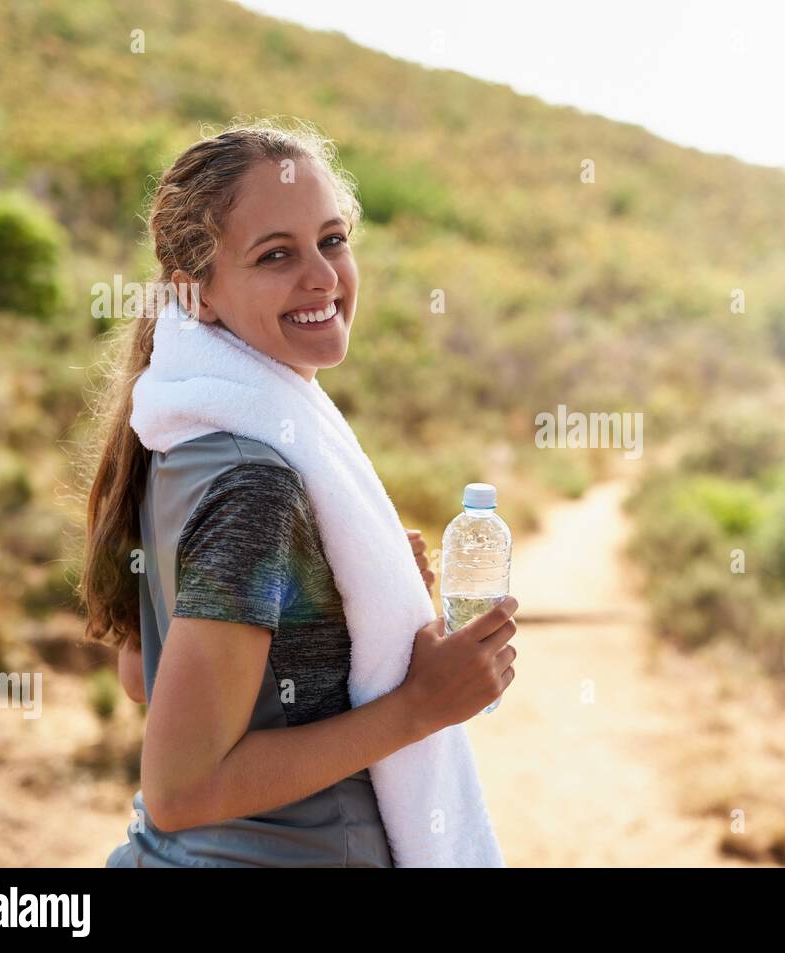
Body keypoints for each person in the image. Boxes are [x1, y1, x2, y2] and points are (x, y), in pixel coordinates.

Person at [79, 120, 519, 867]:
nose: (321, 276)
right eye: (275, 254)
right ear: (196, 293)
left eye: (332, 240)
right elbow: (181, 786)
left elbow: (141, 675)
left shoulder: (179, 434)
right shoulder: (255, 480)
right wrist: (420, 706)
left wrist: (333, 604)